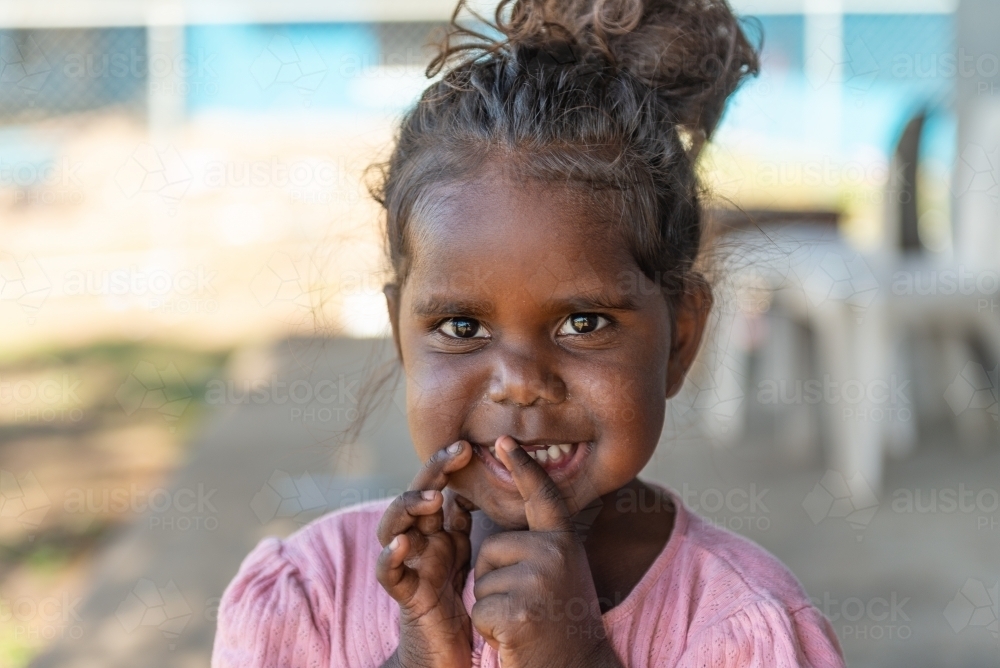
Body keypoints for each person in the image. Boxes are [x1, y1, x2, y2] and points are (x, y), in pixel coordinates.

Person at [212, 0, 847, 665]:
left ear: (682, 336)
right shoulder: (313, 597)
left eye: (584, 322)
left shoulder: (741, 631)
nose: (519, 382)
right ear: (402, 334)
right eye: (461, 326)